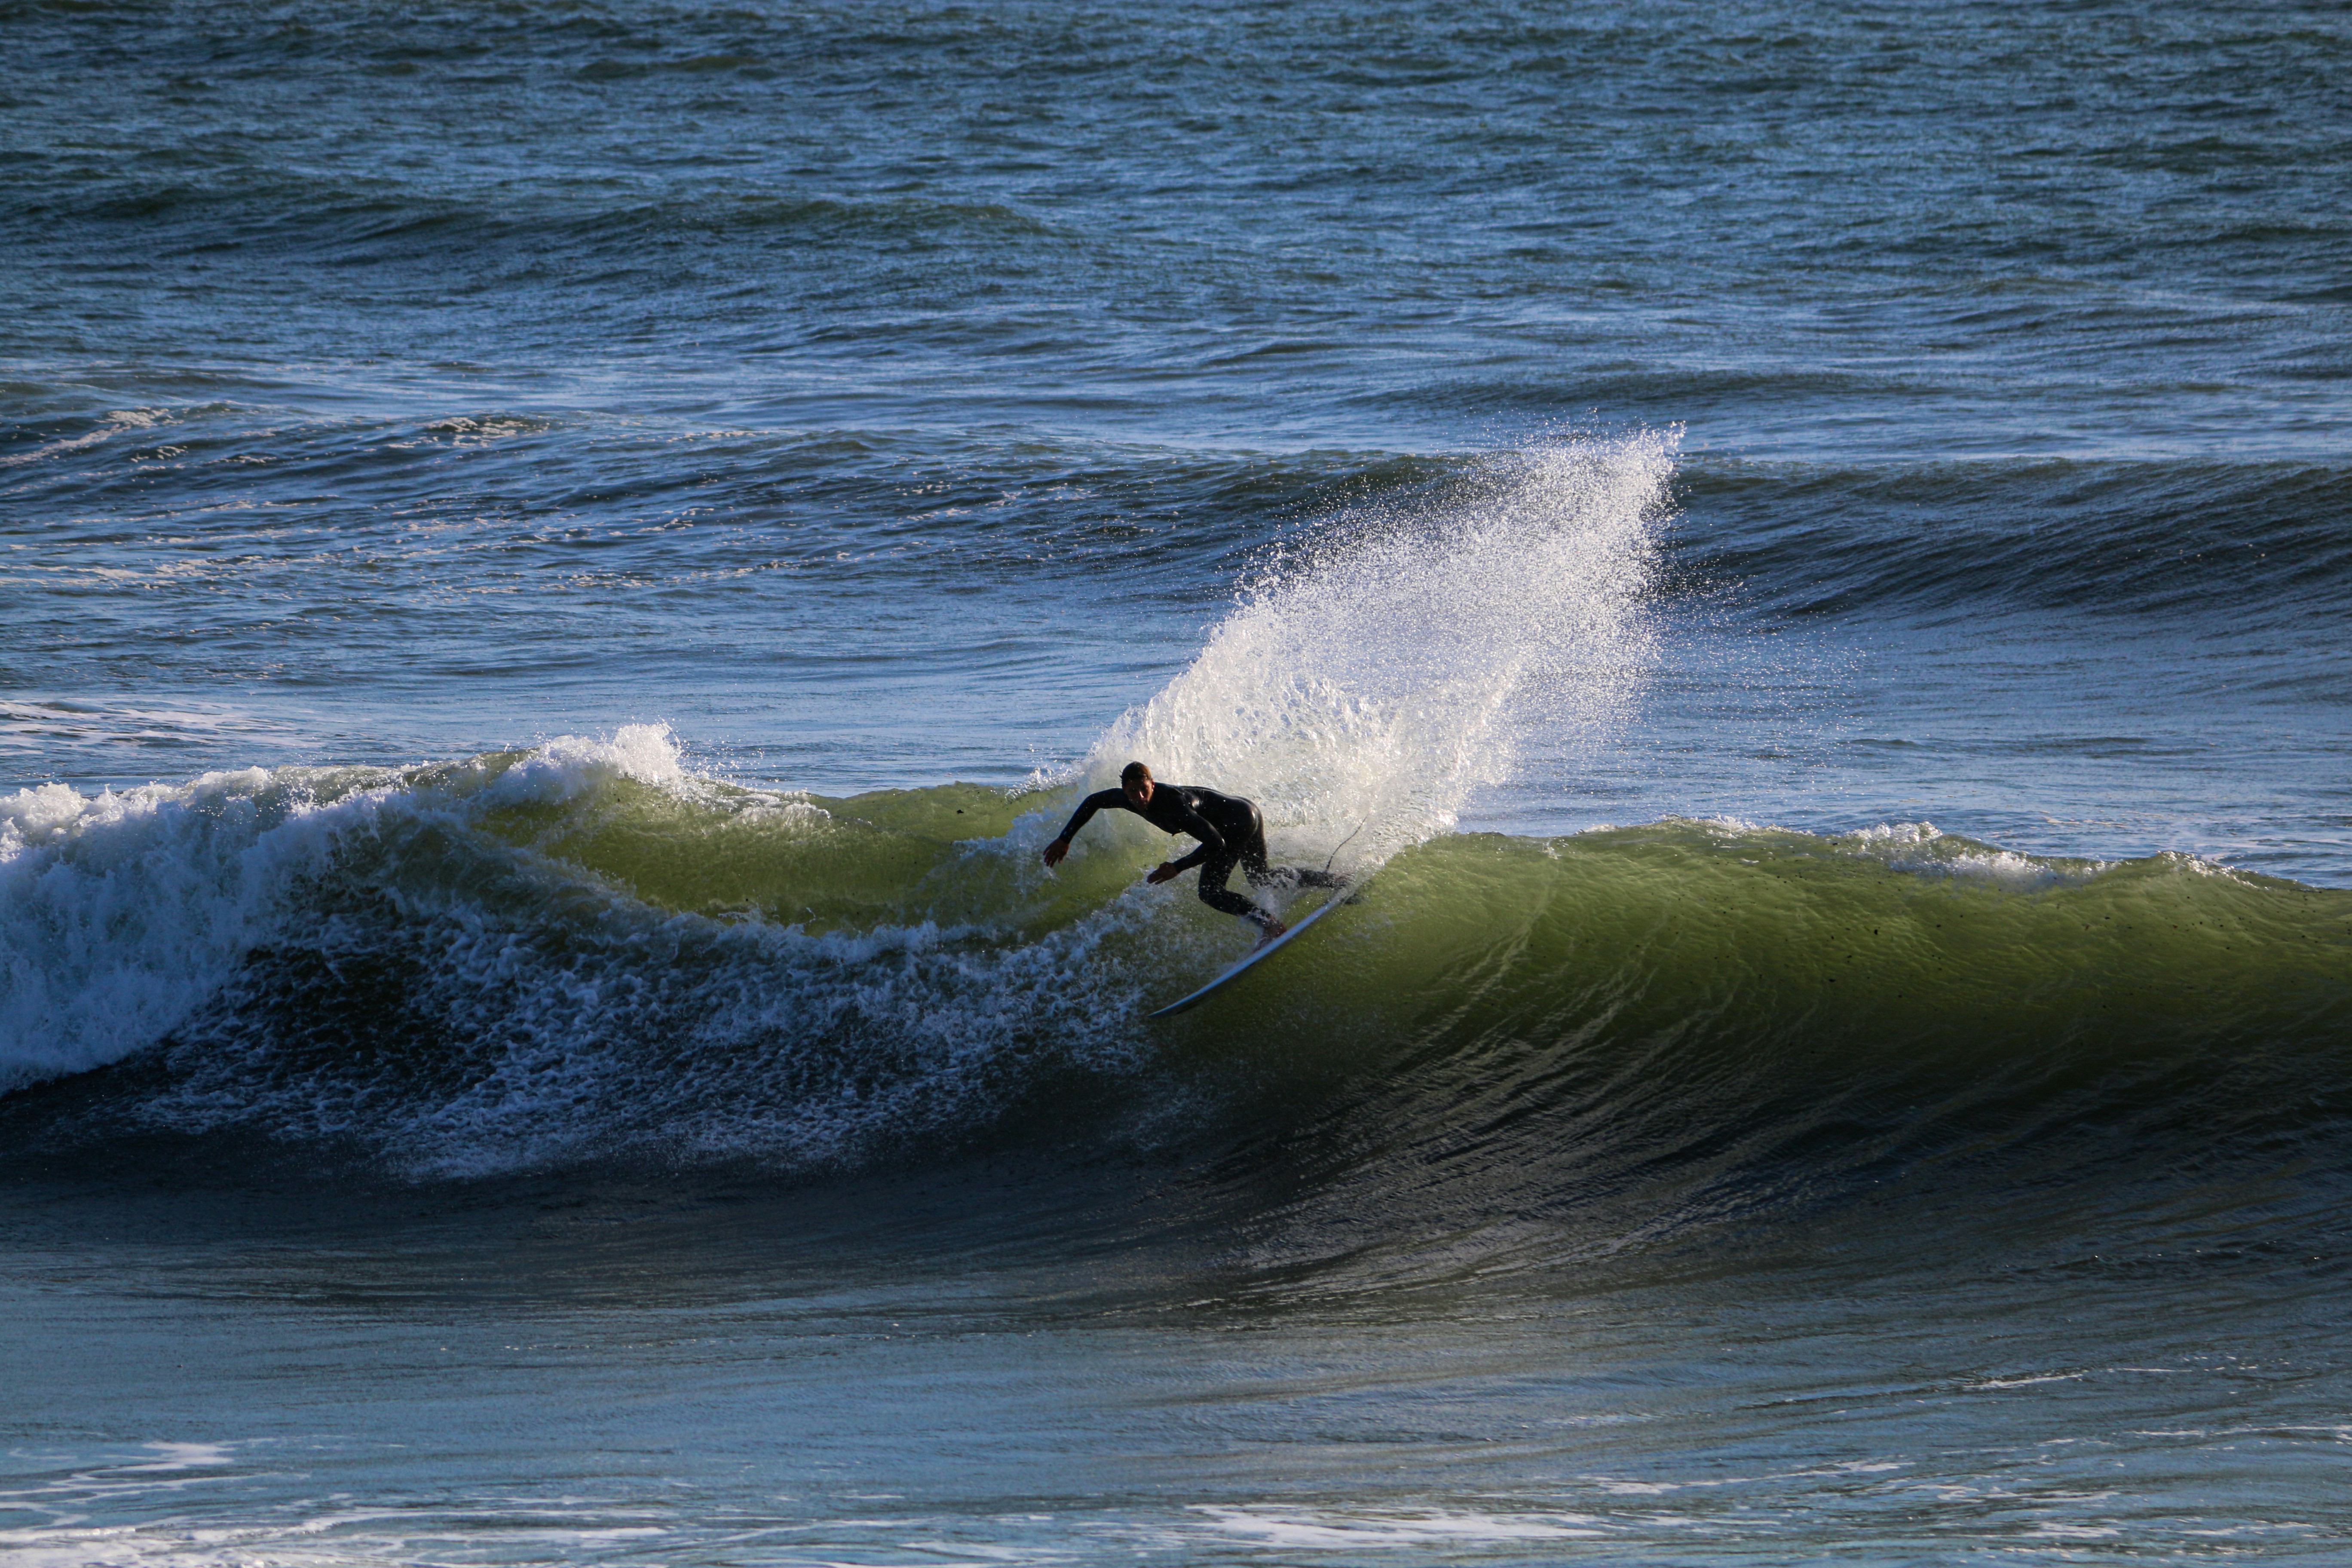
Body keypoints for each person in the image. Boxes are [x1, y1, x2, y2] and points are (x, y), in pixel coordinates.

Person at [1041, 761, 1346, 942]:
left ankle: (1271, 926)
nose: (1139, 798)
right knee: (1261, 877)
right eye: (1132, 792)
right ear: (1124, 790)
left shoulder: (1173, 803)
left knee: (1210, 891)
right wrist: (1065, 838)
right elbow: (1093, 801)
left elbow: (1216, 844)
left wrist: (1177, 866)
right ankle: (1335, 881)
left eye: (1144, 790)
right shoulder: (1124, 797)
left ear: (1153, 784)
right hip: (1245, 810)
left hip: (1237, 822)